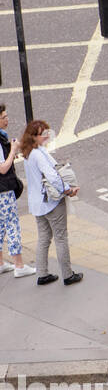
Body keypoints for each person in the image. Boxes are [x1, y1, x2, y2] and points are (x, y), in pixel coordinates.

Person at [17, 120, 81, 286]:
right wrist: (67, 190)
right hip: (50, 202)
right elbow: (52, 176)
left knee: (44, 238)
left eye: (46, 131)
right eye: (41, 133)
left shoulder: (29, 153)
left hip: (37, 204)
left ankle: (42, 274)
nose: (45, 135)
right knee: (61, 237)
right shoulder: (38, 154)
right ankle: (68, 275)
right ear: (33, 137)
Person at [0, 105, 35, 279]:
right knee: (12, 225)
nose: (7, 119)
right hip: (3, 191)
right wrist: (13, 151)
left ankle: (0, 263)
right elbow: (3, 168)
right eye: (4, 117)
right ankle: (19, 265)